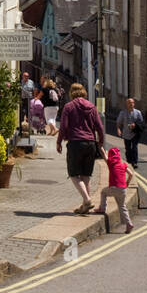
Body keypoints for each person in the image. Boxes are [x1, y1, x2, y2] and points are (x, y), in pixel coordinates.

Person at [56, 82, 106, 214]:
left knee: (73, 174)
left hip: (75, 143)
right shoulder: (92, 107)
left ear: (71, 92)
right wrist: (100, 142)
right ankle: (85, 206)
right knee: (85, 176)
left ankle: (87, 199)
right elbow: (100, 127)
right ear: (84, 91)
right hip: (90, 144)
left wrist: (59, 142)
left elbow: (63, 126)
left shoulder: (68, 107)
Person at [94, 145, 134, 233]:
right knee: (122, 206)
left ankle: (102, 208)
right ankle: (129, 224)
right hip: (123, 189)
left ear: (111, 155)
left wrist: (100, 145)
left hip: (113, 187)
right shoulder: (123, 164)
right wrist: (127, 183)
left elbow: (104, 154)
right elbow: (131, 174)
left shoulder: (110, 163)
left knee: (103, 192)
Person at [116, 97, 145, 168]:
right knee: (128, 149)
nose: (131, 104)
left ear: (134, 104)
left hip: (135, 133)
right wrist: (118, 129)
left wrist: (135, 125)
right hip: (126, 134)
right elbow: (119, 122)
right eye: (129, 103)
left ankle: (135, 162)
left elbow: (141, 122)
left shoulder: (138, 112)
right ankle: (129, 161)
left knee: (134, 147)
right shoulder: (122, 113)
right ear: (126, 104)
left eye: (132, 103)